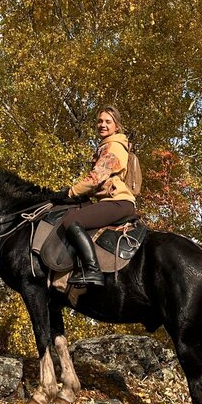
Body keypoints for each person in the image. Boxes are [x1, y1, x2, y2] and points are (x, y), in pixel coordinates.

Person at [51, 106, 137, 286]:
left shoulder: (114, 146)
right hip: (110, 200)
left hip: (118, 201)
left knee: (71, 222)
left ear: (116, 126)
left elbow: (97, 177)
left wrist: (69, 192)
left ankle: (92, 270)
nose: (102, 125)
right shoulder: (106, 145)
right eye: (100, 121)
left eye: (108, 121)